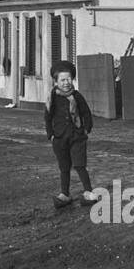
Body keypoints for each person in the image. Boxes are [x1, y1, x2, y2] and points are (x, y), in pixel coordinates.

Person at [44, 60, 97, 208]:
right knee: (64, 167)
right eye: (62, 80)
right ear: (56, 81)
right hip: (60, 138)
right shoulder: (52, 97)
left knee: (80, 165)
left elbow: (86, 113)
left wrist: (86, 129)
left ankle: (88, 192)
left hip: (77, 137)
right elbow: (47, 116)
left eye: (68, 79)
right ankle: (65, 194)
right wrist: (51, 135)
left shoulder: (77, 96)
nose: (66, 83)